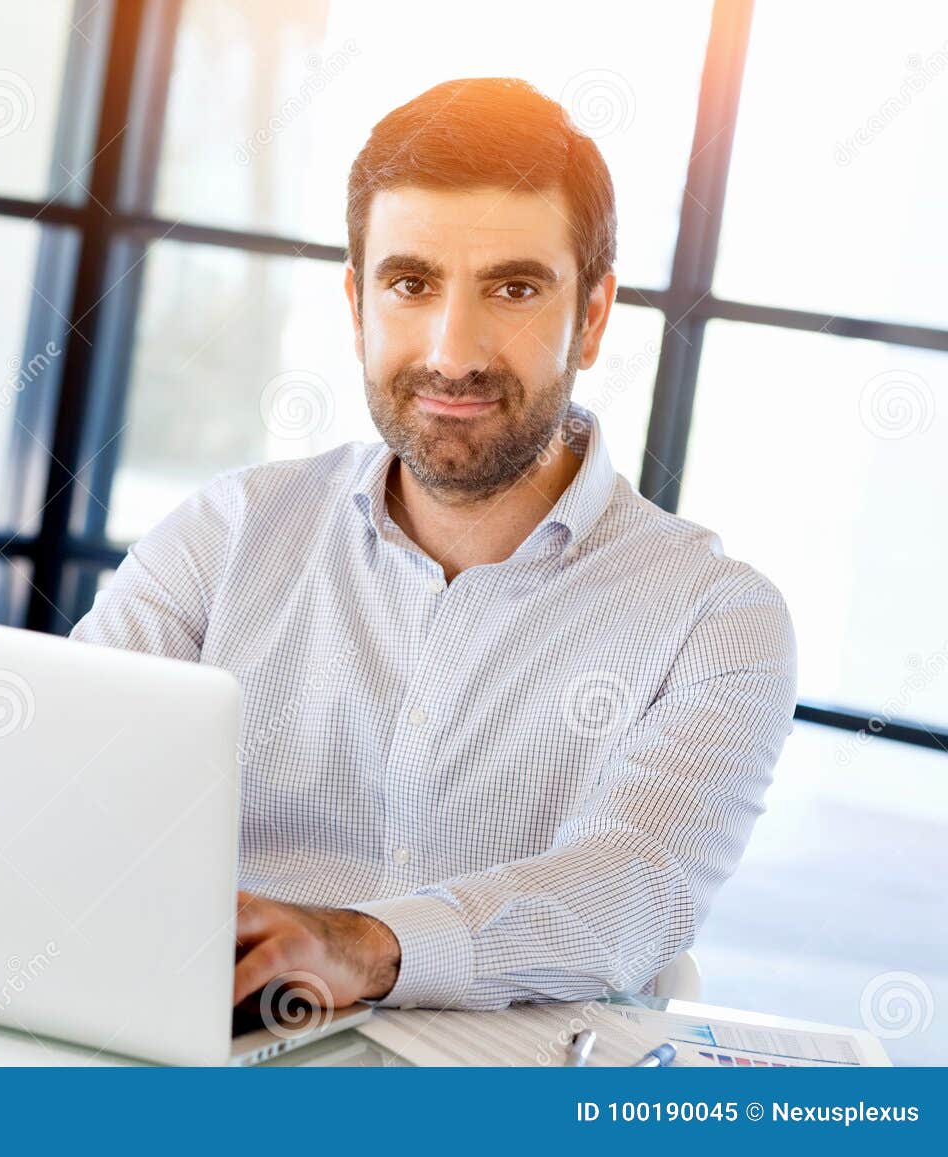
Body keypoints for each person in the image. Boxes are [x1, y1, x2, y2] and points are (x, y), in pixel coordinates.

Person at [70, 77, 796, 1013]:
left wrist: (369, 946)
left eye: (515, 288)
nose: (455, 351)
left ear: (596, 313)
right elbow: (71, 780)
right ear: (357, 299)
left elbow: (632, 890)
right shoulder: (226, 536)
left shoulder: (717, 620)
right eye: (411, 284)